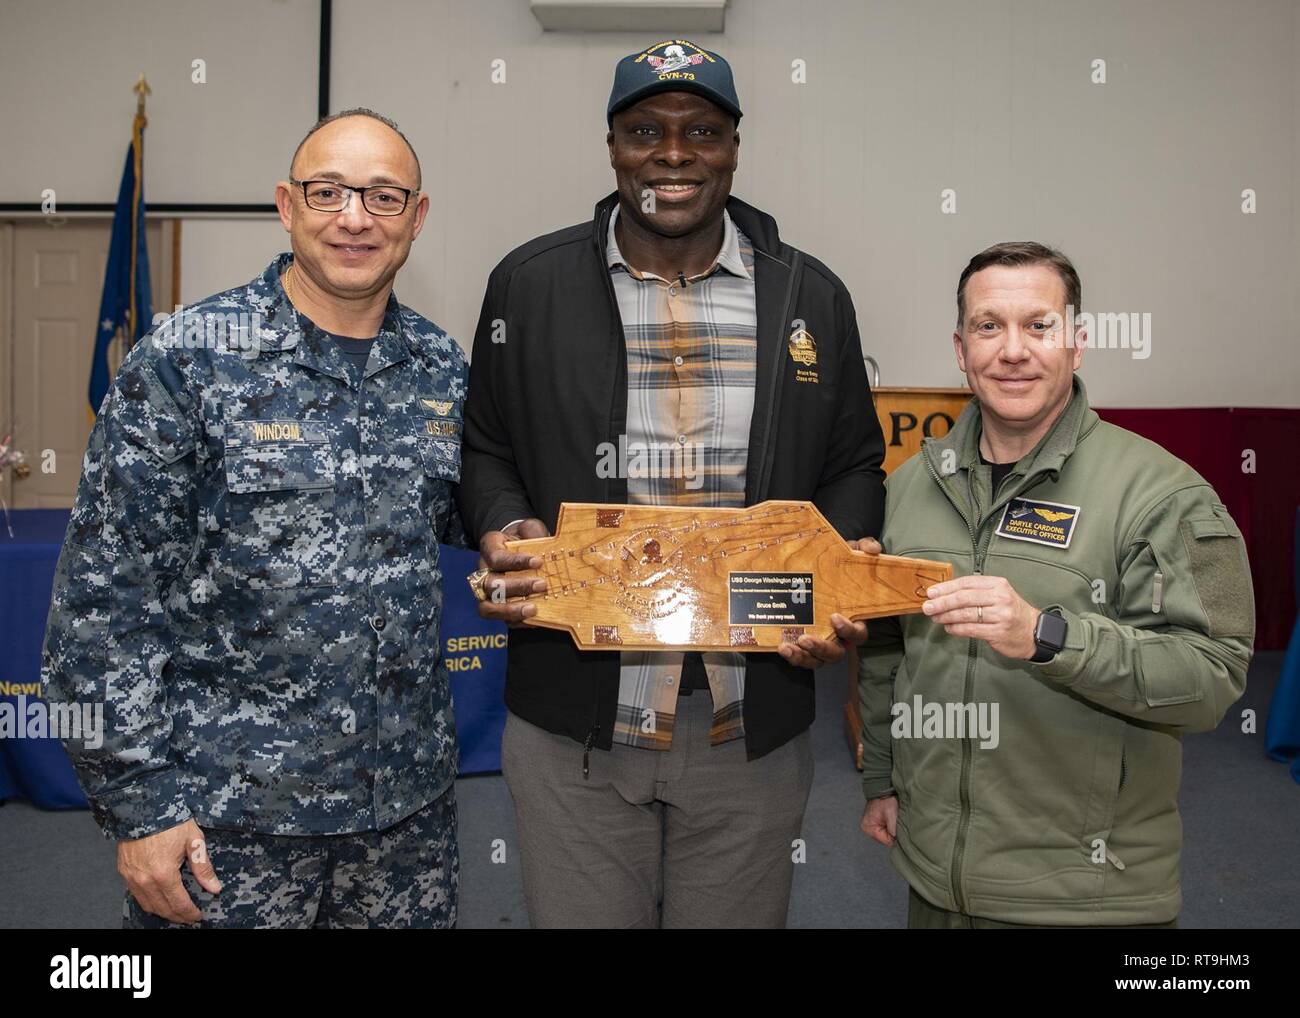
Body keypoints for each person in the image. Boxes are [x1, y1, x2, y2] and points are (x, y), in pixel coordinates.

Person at [458, 39, 886, 928]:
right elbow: (485, 445)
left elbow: (852, 462)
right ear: (612, 146)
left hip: (749, 714)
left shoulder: (811, 297)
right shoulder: (528, 286)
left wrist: (843, 565)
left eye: (703, 131)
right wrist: (506, 524)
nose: (674, 152)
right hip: (575, 717)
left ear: (735, 146)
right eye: (645, 130)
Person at [41, 108, 466, 928]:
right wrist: (139, 807)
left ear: (416, 217)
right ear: (286, 204)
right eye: (328, 191)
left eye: (383, 197)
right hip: (227, 824)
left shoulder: (442, 369)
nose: (354, 217)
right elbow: (101, 605)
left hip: (404, 823)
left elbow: (478, 523)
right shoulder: (187, 359)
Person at [857, 241, 1255, 928]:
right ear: (961, 348)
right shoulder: (909, 487)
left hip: (1084, 896)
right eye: (989, 326)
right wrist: (884, 781)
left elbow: (1212, 680)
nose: (1013, 350)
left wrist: (1049, 635)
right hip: (933, 877)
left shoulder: (1164, 494)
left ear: (1077, 342)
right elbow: (889, 652)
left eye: (1038, 325)